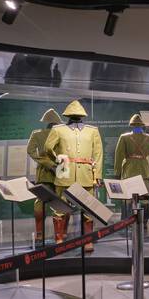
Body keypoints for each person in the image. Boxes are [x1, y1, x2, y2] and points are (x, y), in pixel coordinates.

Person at [44, 100, 104, 252]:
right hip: (64, 173)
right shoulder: (58, 129)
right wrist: (58, 160)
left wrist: (96, 175)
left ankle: (88, 240)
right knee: (60, 208)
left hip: (85, 174)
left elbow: (98, 154)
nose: (76, 117)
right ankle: (59, 238)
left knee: (88, 208)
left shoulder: (92, 131)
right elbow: (47, 148)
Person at [26, 108, 61, 247]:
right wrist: (57, 166)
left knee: (40, 203)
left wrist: (46, 163)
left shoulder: (37, 134)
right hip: (60, 172)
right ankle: (61, 237)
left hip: (44, 172)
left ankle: (40, 236)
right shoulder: (62, 134)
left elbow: (30, 151)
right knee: (62, 204)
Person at [113, 112, 149, 216]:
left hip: (129, 172)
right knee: (144, 199)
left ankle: (126, 223)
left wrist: (117, 173)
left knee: (128, 199)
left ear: (131, 125)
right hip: (144, 172)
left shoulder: (124, 137)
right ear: (142, 125)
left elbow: (119, 156)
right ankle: (144, 223)